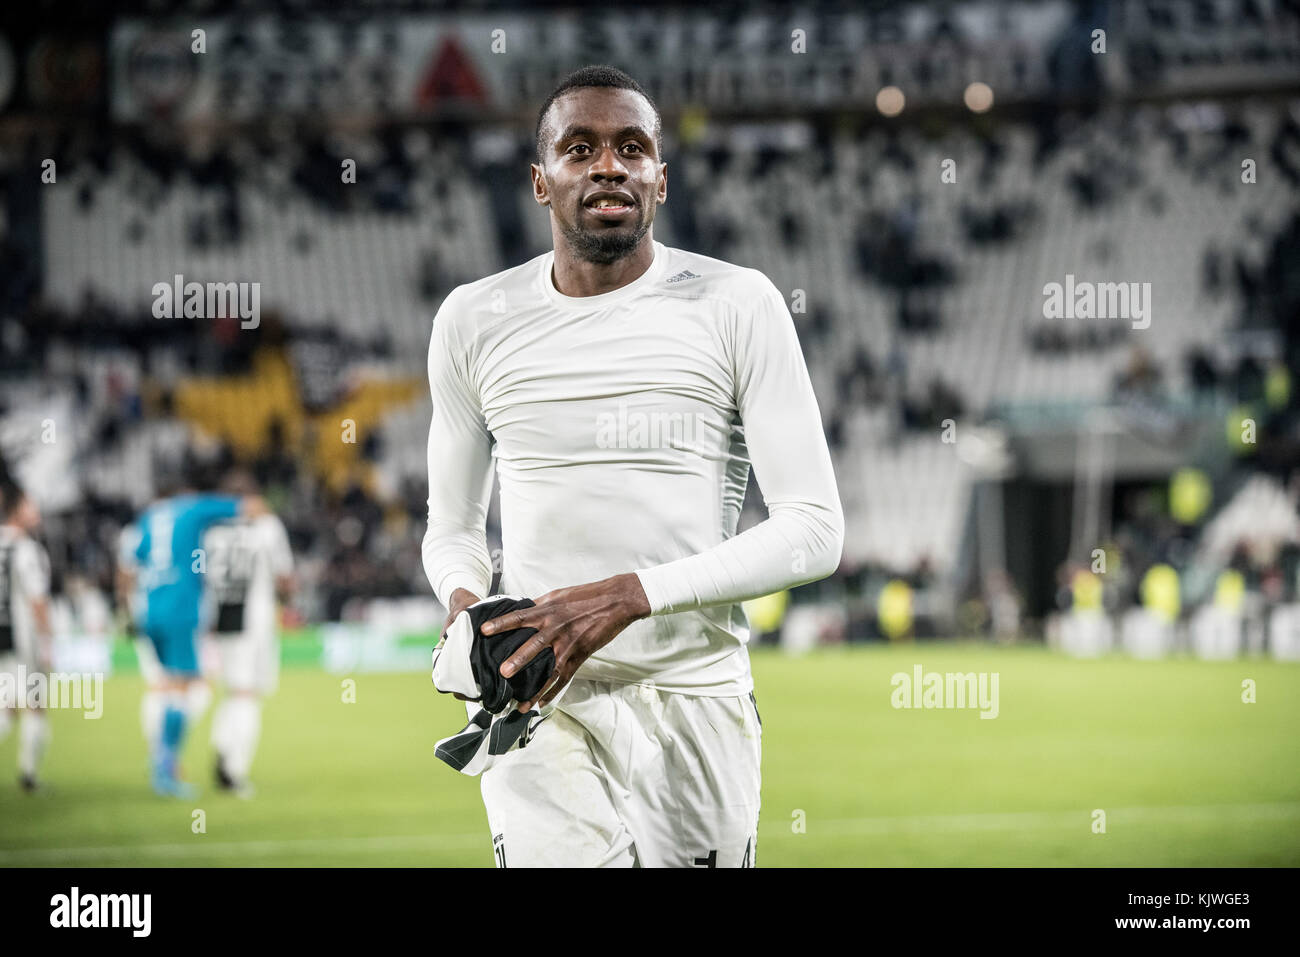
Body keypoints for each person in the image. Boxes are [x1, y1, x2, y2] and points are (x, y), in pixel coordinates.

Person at [423, 66, 843, 867]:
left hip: (695, 693)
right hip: (543, 699)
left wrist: (627, 596)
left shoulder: (739, 302)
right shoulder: (473, 318)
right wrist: (467, 603)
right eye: (580, 148)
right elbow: (451, 525)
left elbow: (815, 531)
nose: (609, 164)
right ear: (541, 182)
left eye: (632, 148)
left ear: (660, 178)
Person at [122, 474, 266, 797]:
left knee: (164, 685)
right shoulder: (191, 508)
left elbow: (133, 563)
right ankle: (165, 769)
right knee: (185, 689)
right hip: (180, 609)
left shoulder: (149, 518)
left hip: (150, 609)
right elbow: (249, 505)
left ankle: (161, 759)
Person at [201, 472, 294, 797]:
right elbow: (284, 577)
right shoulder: (268, 528)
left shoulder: (210, 533)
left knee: (232, 691)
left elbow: (200, 573)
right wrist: (287, 601)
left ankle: (223, 747)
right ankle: (233, 768)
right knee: (248, 694)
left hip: (220, 620)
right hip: (255, 621)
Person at [0, 483, 53, 792]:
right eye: (31, 505)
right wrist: (47, 641)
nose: (36, 511)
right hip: (22, 639)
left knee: (7, 705)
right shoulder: (26, 548)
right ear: (18, 510)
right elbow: (37, 600)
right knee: (34, 705)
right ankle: (29, 776)